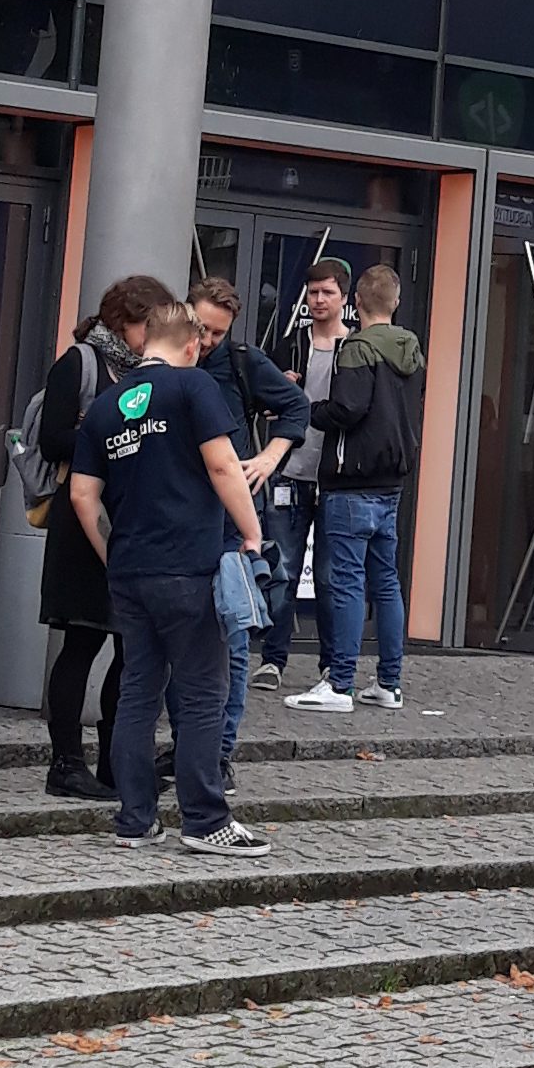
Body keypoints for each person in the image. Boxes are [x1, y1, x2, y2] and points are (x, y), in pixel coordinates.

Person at [66, 292, 266, 848]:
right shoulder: (192, 386)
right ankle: (206, 822)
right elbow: (224, 463)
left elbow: (83, 495)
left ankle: (136, 820)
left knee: (138, 692)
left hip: (131, 571)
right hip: (189, 565)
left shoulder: (108, 403)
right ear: (192, 343)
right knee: (204, 692)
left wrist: (113, 556)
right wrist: (251, 534)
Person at [34, 273, 168, 798]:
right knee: (83, 642)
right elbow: (52, 439)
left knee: (132, 647)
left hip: (132, 518)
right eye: (146, 327)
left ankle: (117, 760)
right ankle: (65, 763)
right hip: (82, 520)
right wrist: (113, 437)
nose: (150, 338)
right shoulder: (81, 362)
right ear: (124, 320)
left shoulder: (148, 373)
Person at [297, 262, 424, 716]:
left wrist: (306, 410)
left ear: (354, 303)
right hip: (392, 481)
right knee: (386, 583)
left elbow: (348, 410)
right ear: (396, 302)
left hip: (351, 482)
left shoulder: (356, 348)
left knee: (347, 583)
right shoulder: (410, 348)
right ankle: (389, 683)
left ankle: (340, 683)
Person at [193, 274, 305, 768]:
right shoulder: (171, 359)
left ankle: (219, 754)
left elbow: (296, 406)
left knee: (234, 635)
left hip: (231, 521)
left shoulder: (241, 362)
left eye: (218, 332)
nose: (207, 341)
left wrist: (269, 456)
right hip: (183, 516)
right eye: (201, 328)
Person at [253, 258, 353, 685]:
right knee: (283, 568)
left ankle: (330, 664)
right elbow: (262, 404)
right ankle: (273, 659)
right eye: (313, 293)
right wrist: (281, 390)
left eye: (327, 292)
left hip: (335, 475)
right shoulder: (290, 345)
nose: (318, 300)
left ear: (344, 298)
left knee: (331, 575)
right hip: (289, 470)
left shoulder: (357, 349)